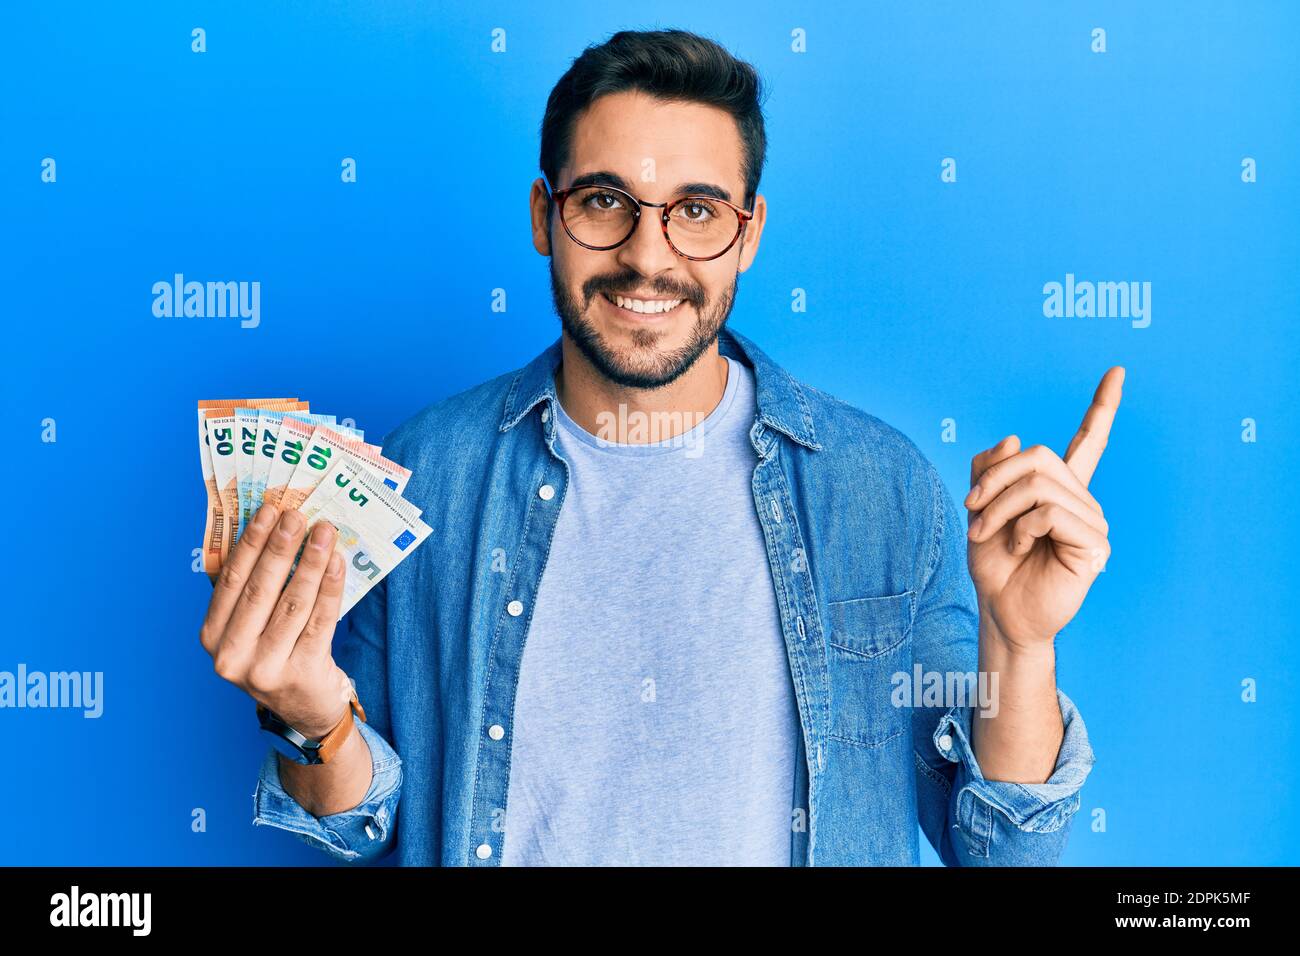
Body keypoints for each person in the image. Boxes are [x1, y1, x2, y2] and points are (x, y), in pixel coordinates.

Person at [199, 28, 1119, 866]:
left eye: (697, 210)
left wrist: (1021, 643)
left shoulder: (879, 487)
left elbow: (1002, 851)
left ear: (748, 233)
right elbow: (365, 818)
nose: (649, 256)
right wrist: (312, 721)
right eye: (606, 202)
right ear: (542, 216)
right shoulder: (429, 471)